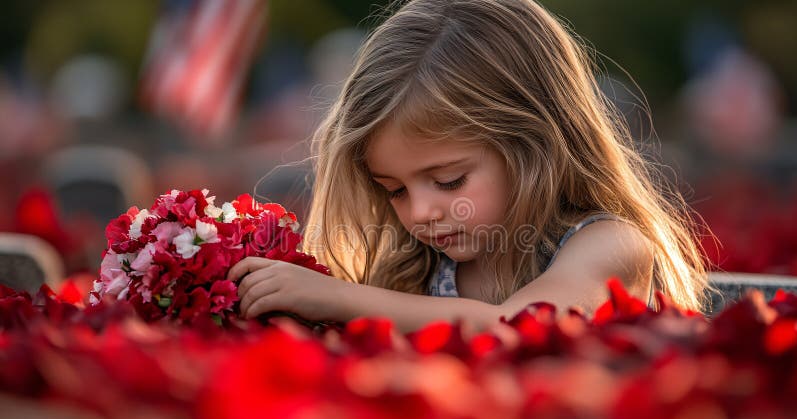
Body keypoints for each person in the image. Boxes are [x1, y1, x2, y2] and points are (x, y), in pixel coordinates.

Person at [228, 0, 710, 332]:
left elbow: (525, 324)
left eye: (447, 180)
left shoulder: (609, 244)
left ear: (534, 146)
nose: (420, 212)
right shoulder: (414, 270)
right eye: (394, 190)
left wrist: (335, 299)